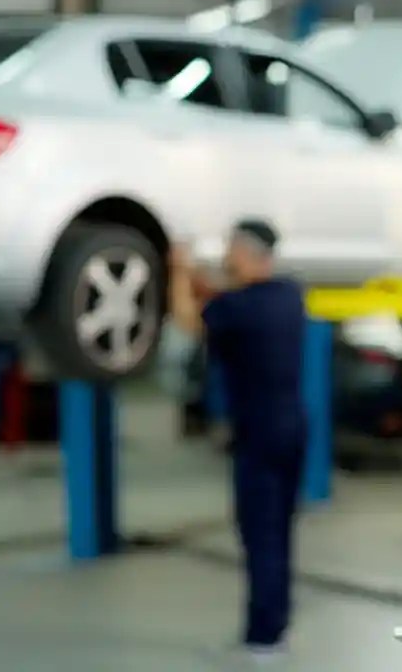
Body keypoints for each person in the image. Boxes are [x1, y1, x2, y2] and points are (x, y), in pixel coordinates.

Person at [169, 218, 307, 661]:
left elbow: (188, 319)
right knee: (280, 532)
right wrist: (197, 276)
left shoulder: (239, 309)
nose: (226, 258)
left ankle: (263, 640)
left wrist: (176, 270)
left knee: (259, 534)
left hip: (260, 433)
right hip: (293, 428)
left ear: (247, 255)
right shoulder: (288, 295)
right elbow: (220, 297)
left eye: (230, 250)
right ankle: (274, 628)